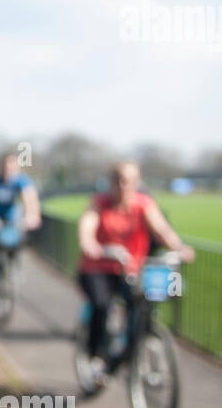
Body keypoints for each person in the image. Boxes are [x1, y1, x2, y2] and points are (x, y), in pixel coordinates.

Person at [76, 161, 193, 384]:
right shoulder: (100, 203)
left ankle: (128, 352)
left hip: (130, 270)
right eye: (119, 180)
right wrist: (89, 244)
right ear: (111, 182)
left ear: (136, 182)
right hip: (98, 268)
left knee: (141, 309)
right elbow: (87, 225)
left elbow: (160, 229)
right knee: (101, 305)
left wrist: (178, 247)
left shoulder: (143, 205)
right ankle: (97, 357)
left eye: (129, 181)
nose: (123, 186)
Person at [0, 153, 41, 298]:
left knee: (17, 242)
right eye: (7, 166)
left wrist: (32, 216)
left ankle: (15, 265)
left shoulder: (21, 181)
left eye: (13, 167)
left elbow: (30, 198)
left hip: (12, 220)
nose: (9, 170)